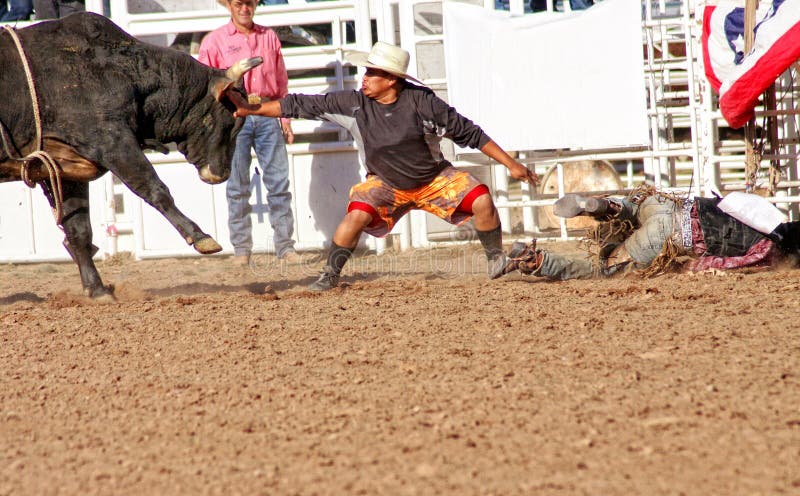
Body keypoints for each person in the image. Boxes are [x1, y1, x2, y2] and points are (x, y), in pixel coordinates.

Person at [229, 41, 539, 291]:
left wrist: (511, 164)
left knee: (482, 200)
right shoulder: (354, 103)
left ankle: (496, 259)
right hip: (385, 183)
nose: (363, 78)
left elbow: (470, 133)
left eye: (371, 73)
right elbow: (299, 104)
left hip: (434, 178)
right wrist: (248, 108)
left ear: (391, 79)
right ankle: (329, 275)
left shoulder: (424, 103)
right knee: (355, 216)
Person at [502, 188, 800, 280]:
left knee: (633, 211)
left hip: (673, 205)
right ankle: (537, 260)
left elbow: (727, 199)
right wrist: (680, 268)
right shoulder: (768, 250)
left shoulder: (766, 213)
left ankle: (606, 207)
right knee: (605, 270)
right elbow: (714, 265)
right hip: (672, 236)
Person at [199, 0, 299, 266]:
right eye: (239, 3)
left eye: (249, 3)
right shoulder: (214, 41)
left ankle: (285, 246)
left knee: (278, 182)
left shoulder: (269, 37)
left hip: (266, 109)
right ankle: (242, 250)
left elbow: (281, 80)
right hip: (233, 115)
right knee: (237, 186)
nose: (245, 8)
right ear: (230, 6)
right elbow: (205, 83)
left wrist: (285, 116)